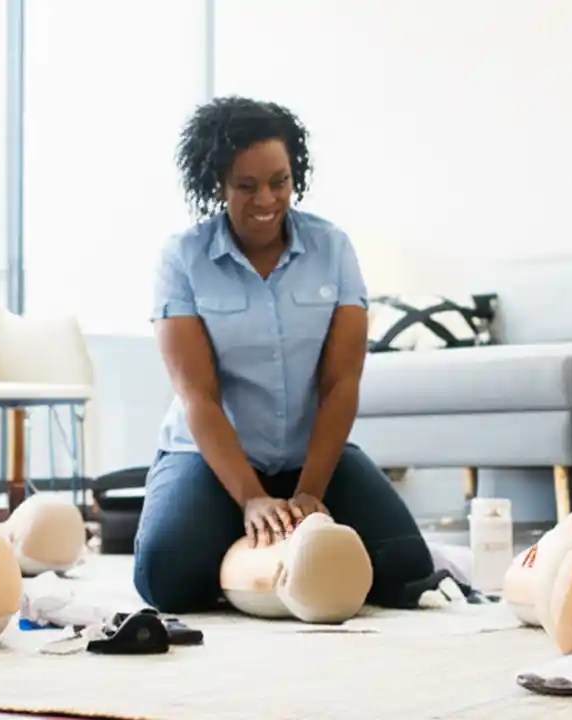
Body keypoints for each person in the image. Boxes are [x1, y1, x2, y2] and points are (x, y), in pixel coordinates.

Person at [133, 96, 438, 613]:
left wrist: (309, 496)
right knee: (167, 580)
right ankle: (241, 534)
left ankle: (268, 536)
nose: (266, 200)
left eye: (280, 181)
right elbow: (197, 397)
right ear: (217, 185)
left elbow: (342, 383)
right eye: (245, 186)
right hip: (211, 458)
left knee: (407, 575)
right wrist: (252, 497)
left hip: (308, 457)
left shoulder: (332, 248)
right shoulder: (182, 258)